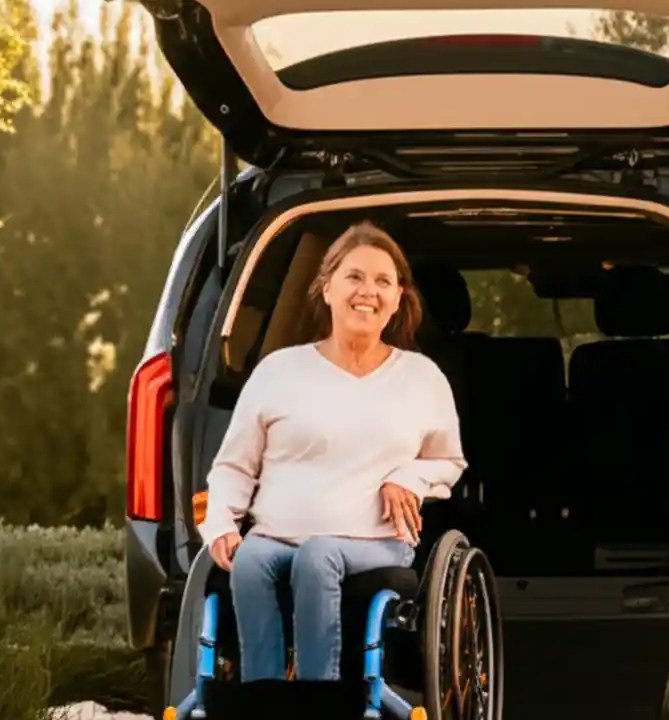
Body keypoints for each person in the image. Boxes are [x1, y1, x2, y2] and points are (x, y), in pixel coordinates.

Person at [196, 221, 467, 684]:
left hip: (373, 545)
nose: (368, 291)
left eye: (384, 281)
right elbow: (234, 465)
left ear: (398, 299)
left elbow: (449, 462)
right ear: (327, 289)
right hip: (276, 537)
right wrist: (220, 521)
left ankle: (317, 698)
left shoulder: (422, 378)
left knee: (318, 555)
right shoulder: (279, 371)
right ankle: (264, 696)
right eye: (355, 277)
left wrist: (407, 475)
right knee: (252, 561)